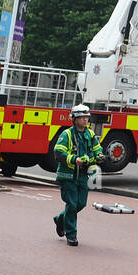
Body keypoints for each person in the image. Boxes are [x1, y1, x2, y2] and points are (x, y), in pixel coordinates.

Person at [54, 105, 104, 247]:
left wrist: (100, 156)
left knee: (81, 203)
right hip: (68, 175)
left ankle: (60, 219)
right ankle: (71, 235)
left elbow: (97, 149)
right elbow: (58, 152)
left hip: (83, 175)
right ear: (74, 119)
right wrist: (74, 159)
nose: (85, 120)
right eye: (82, 117)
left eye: (87, 117)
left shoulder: (90, 134)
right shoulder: (67, 134)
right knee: (72, 204)